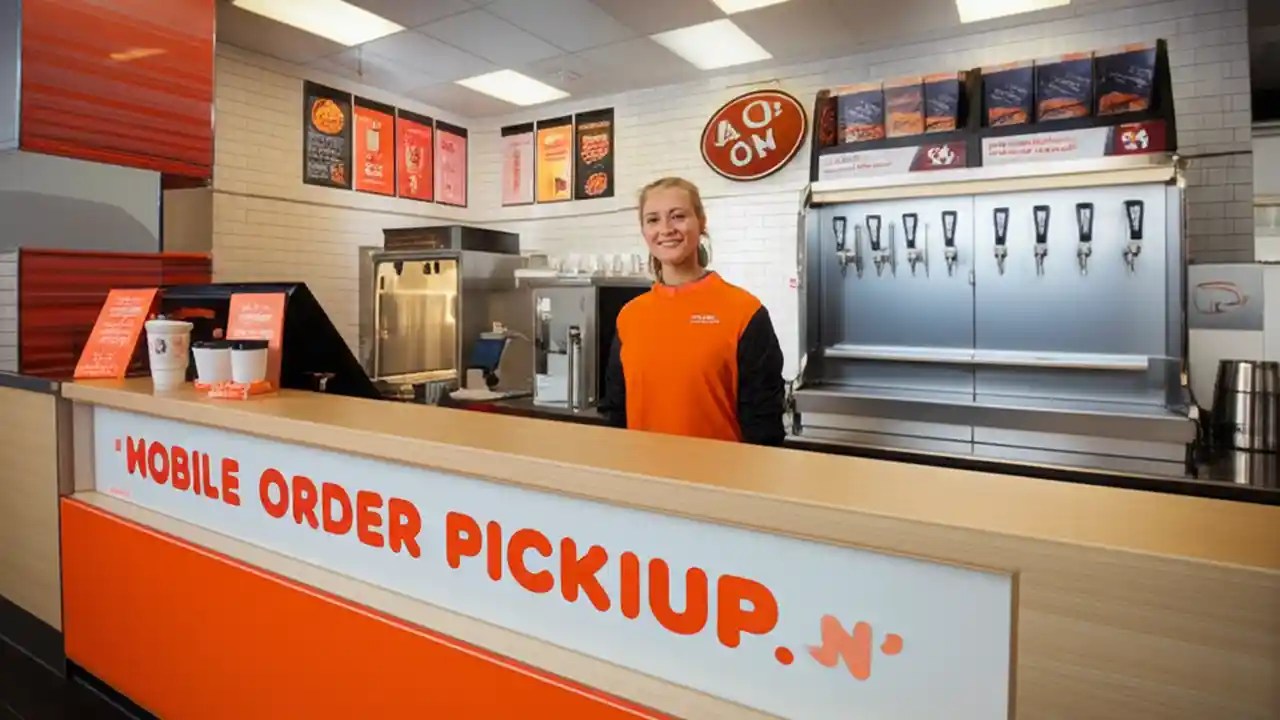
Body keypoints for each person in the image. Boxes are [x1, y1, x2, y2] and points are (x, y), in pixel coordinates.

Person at [600, 177, 786, 446]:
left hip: (722, 470)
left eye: (678, 216)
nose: (666, 229)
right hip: (642, 468)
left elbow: (764, 425)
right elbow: (616, 413)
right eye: (653, 220)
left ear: (701, 222)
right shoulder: (629, 316)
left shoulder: (744, 311)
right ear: (644, 231)